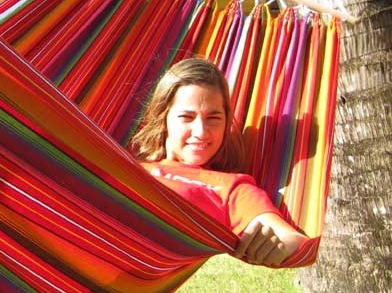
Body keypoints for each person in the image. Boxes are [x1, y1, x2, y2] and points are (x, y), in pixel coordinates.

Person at [129, 57, 308, 267]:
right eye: (187, 117)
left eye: (213, 118)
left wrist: (281, 245)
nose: (201, 132)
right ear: (164, 118)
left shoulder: (231, 187)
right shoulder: (126, 163)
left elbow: (291, 239)